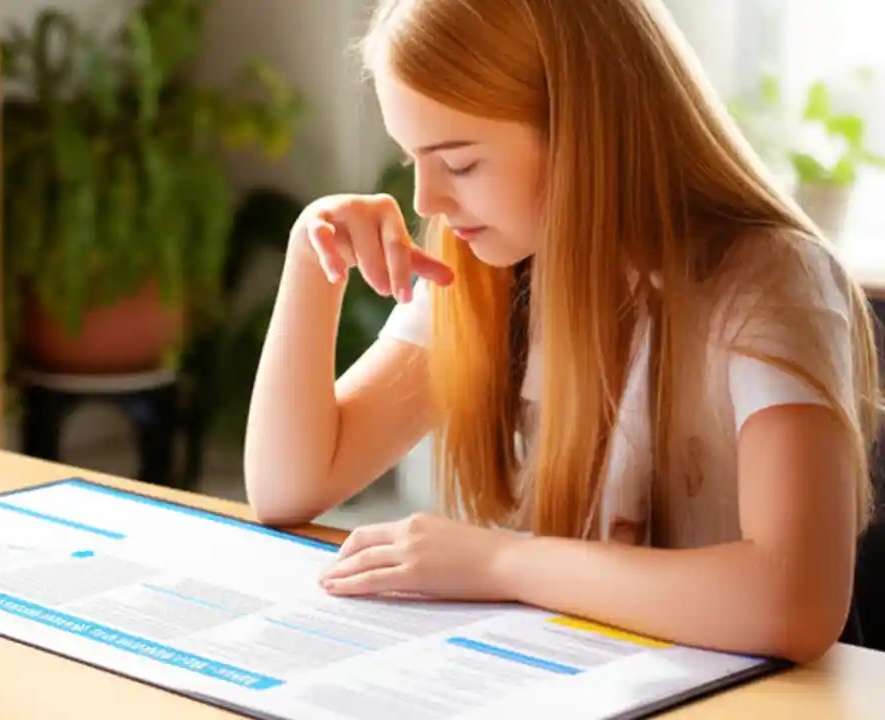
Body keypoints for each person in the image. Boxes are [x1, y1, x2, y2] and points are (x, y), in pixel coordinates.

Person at [243, 0, 881, 664]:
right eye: (413, 162)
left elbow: (794, 602)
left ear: (588, 135)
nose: (426, 201)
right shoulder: (495, 268)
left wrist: (502, 564)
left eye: (459, 164)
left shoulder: (769, 283)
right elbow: (288, 487)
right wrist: (310, 256)